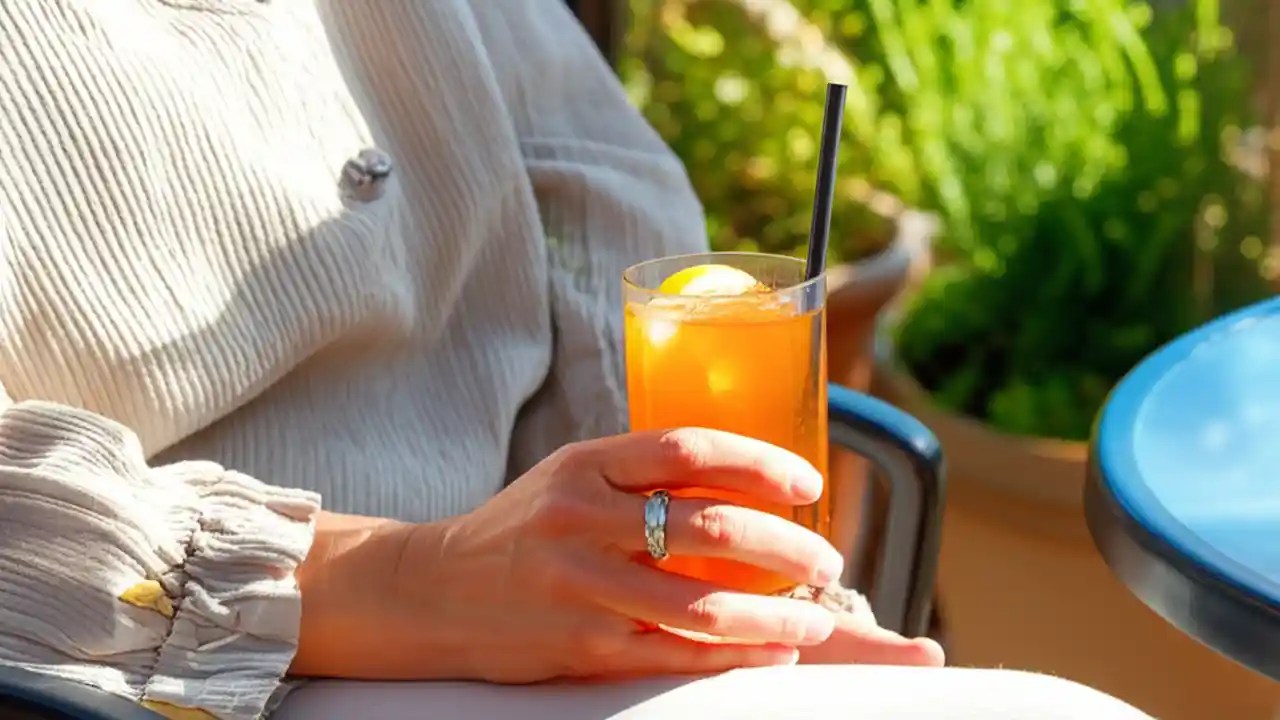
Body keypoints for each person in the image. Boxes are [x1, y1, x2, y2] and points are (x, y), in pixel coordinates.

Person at [0, 2, 1150, 719]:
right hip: (157, 676)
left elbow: (585, 172)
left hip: (537, 612)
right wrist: (392, 581)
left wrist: (666, 554)